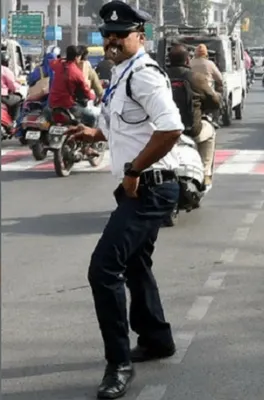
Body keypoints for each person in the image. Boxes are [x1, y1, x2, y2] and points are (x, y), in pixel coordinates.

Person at [69, 2, 182, 398]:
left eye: (121, 33)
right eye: (107, 34)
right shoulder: (120, 73)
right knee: (136, 264)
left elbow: (170, 128)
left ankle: (118, 363)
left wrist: (133, 170)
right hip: (138, 184)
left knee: (103, 269)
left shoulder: (144, 75)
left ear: (141, 36)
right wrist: (94, 134)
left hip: (151, 185)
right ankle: (156, 338)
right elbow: (128, 126)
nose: (112, 40)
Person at [166, 44, 221, 187]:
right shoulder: (196, 77)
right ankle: (206, 173)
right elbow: (214, 101)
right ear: (187, 61)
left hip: (163, 130)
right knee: (211, 133)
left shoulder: (160, 76)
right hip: (191, 129)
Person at [48, 45, 98, 126]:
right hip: (67, 106)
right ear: (76, 57)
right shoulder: (76, 72)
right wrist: (92, 96)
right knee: (91, 117)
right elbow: (85, 90)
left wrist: (62, 59)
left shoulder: (58, 65)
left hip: (52, 104)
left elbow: (52, 62)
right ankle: (86, 138)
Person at [1, 52, 23, 118]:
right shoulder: (6, 70)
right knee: (19, 99)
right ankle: (14, 120)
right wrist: (19, 86)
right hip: (3, 96)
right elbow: (12, 86)